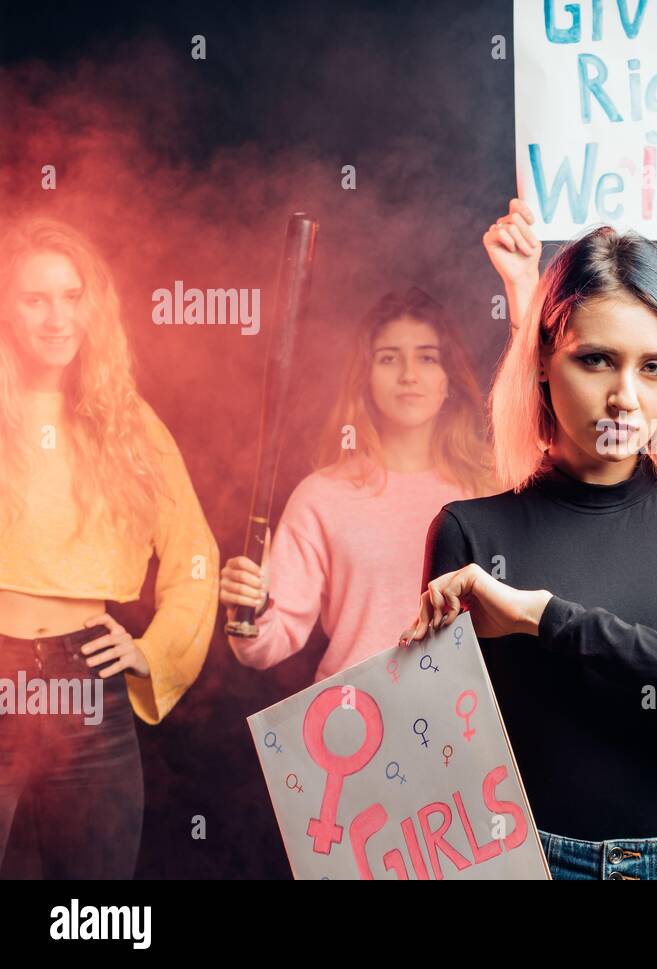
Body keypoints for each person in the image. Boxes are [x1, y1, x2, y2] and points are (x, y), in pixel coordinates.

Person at [401, 221, 657, 880]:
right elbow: (443, 757)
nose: (625, 398)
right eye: (596, 359)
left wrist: (542, 617)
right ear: (544, 362)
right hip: (530, 863)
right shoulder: (469, 534)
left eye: (654, 366)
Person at [0, 217, 218, 877]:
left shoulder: (125, 422)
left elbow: (194, 554)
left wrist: (150, 651)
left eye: (72, 296)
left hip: (86, 681)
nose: (57, 317)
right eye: (34, 298)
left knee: (92, 908)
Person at [220, 287, 495, 682]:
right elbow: (265, 646)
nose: (408, 375)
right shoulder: (322, 495)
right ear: (364, 378)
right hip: (355, 721)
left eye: (427, 357)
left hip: (464, 716)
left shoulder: (489, 488)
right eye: (388, 359)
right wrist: (252, 606)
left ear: (448, 379)